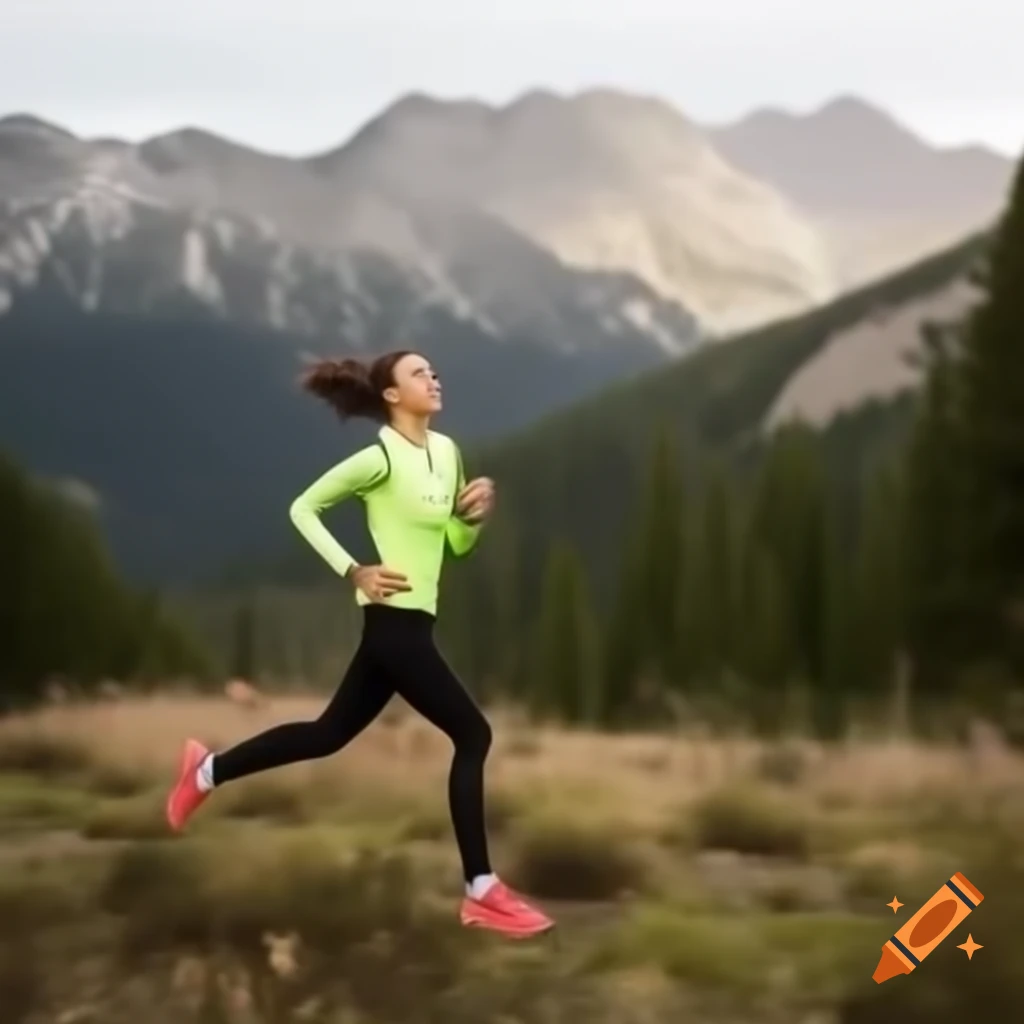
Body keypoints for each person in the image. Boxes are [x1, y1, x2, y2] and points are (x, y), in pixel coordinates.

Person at [165, 349, 554, 939]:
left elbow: (452, 545)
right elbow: (304, 509)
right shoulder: (377, 459)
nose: (434, 377)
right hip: (392, 624)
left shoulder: (446, 454)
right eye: (419, 373)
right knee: (474, 734)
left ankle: (205, 770)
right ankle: (481, 890)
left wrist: (473, 518)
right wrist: (355, 571)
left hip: (411, 625)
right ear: (393, 397)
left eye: (435, 370)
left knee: (325, 735)